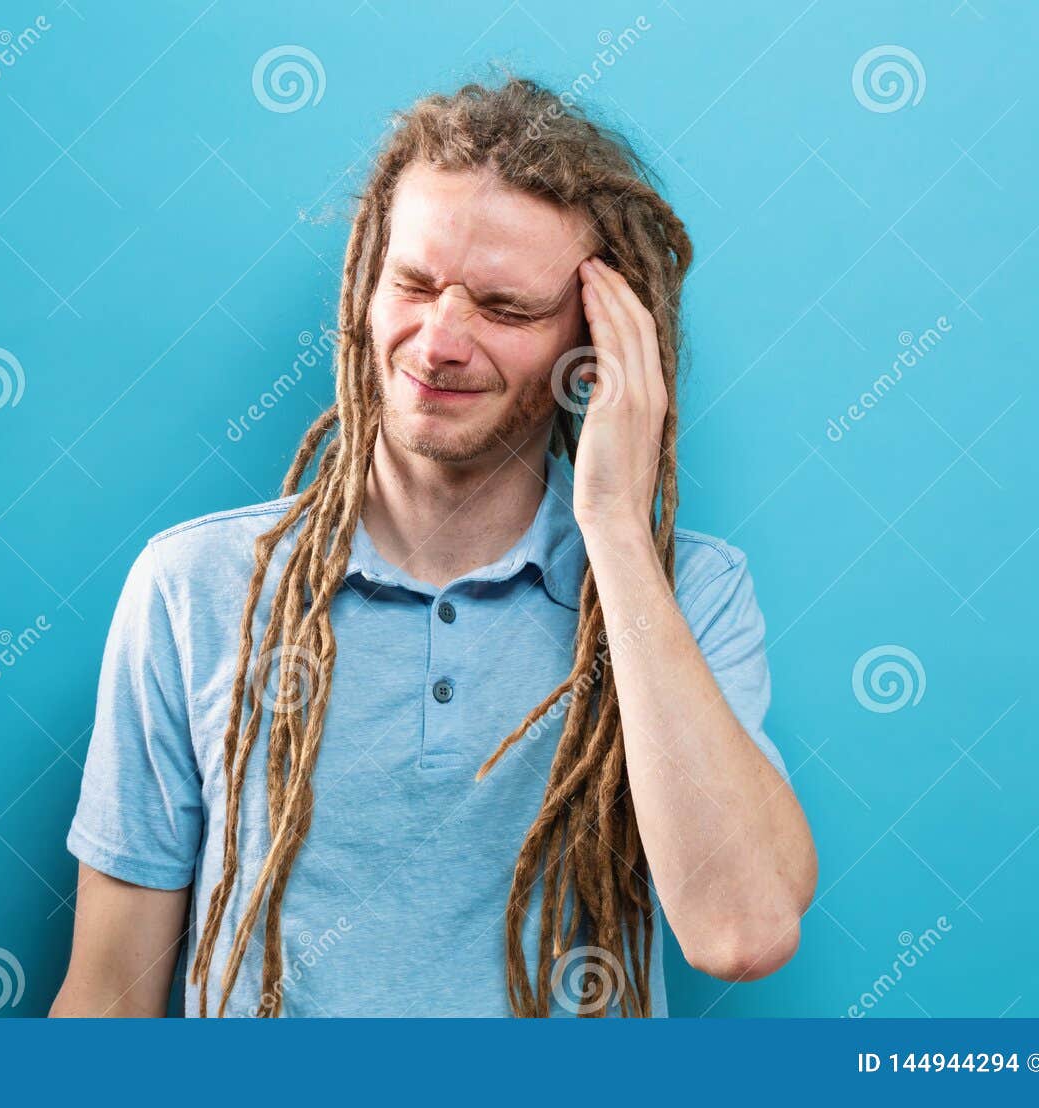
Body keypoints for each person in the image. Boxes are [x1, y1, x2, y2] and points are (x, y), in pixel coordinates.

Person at [51, 77, 817, 1018]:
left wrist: (615, 529)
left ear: (600, 347)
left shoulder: (688, 592)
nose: (440, 341)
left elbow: (742, 932)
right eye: (413, 285)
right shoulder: (195, 589)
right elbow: (105, 998)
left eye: (506, 308)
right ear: (367, 284)